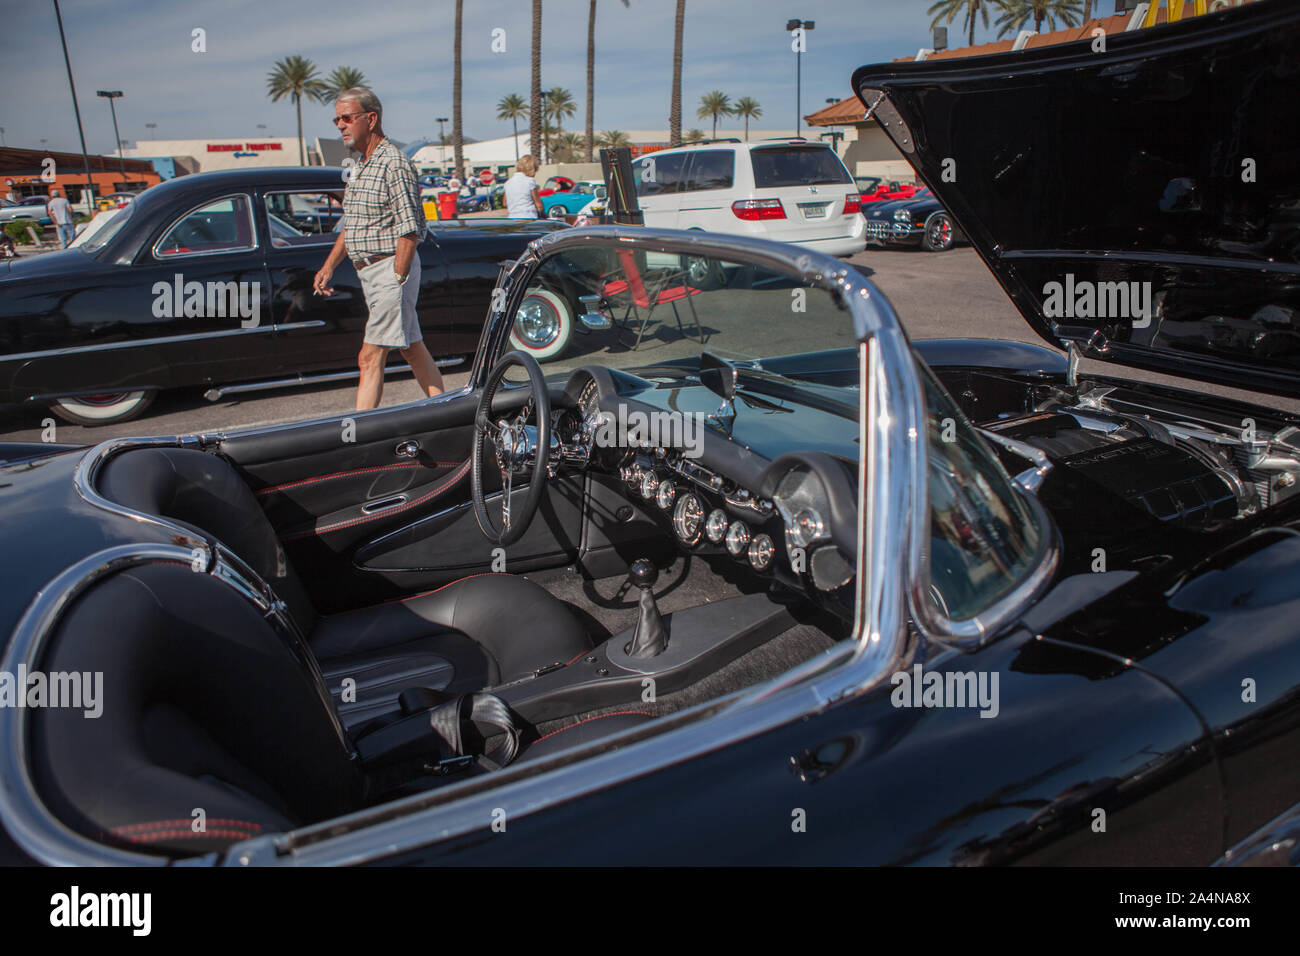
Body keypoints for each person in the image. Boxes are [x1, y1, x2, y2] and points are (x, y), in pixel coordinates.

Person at [313, 86, 445, 410]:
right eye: (337, 120)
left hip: (389, 270)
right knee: (412, 348)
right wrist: (329, 266)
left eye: (346, 118)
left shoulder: (394, 163)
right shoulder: (360, 165)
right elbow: (352, 221)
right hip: (372, 274)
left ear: (370, 119)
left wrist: (396, 279)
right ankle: (447, 410)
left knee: (368, 357)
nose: (340, 125)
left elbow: (409, 228)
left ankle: (360, 435)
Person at [504, 155, 543, 220]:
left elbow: (505, 203)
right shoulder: (529, 181)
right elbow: (539, 205)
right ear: (531, 168)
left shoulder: (508, 183)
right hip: (528, 218)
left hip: (512, 219)